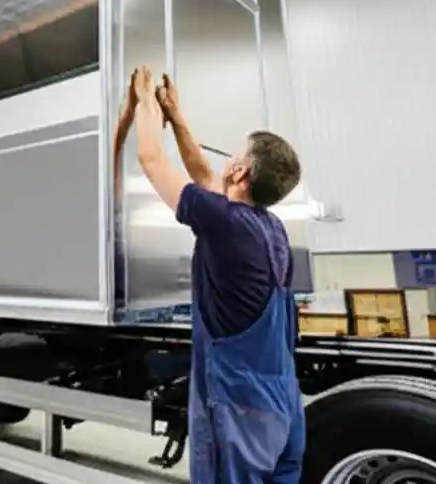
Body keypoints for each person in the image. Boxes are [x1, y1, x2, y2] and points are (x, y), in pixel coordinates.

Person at [128, 66, 305, 483]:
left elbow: (150, 159)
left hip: (240, 405)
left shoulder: (224, 222)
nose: (226, 162)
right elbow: (204, 176)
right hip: (282, 403)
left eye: (235, 156)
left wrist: (144, 103)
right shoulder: (269, 227)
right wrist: (177, 116)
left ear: (240, 173)